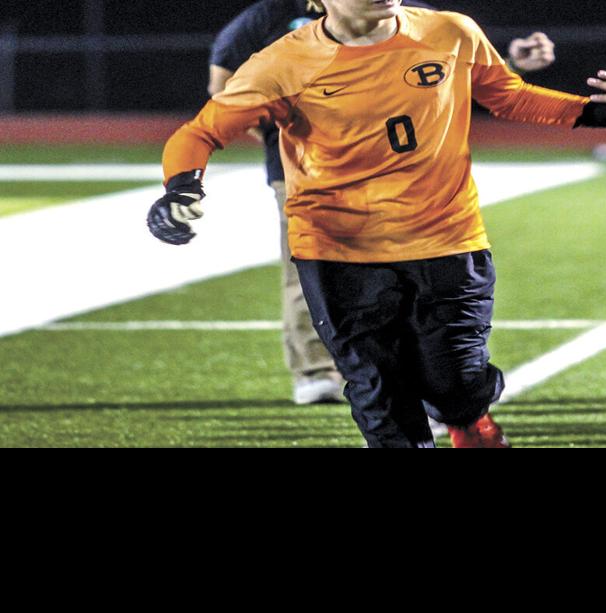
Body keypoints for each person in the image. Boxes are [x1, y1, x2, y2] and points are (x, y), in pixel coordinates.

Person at [148, 0, 606, 447]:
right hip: (338, 252)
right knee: (381, 400)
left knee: (454, 383)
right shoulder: (281, 62)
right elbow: (202, 131)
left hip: (446, 239)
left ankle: (469, 414)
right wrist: (182, 188)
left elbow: (512, 98)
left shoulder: (449, 31)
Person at [208, 0, 557, 407]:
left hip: (406, 172)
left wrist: (512, 63)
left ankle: (431, 374)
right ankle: (316, 370)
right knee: (310, 275)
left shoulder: (398, 14)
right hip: (310, 176)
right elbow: (224, 89)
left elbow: (459, 67)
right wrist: (295, 132)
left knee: (418, 276)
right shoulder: (266, 17)